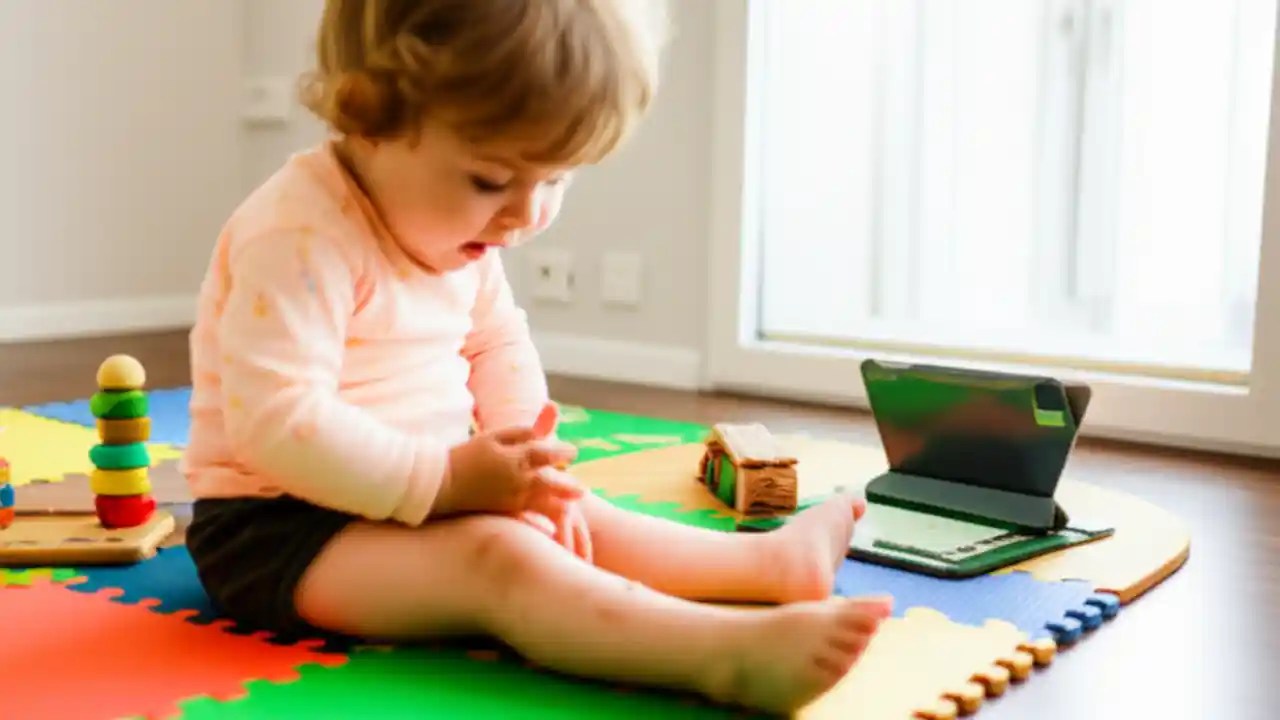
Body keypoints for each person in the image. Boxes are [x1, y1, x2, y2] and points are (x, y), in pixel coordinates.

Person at [182, 0, 892, 713]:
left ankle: (765, 564)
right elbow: (276, 422)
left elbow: (495, 339)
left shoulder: (457, 233)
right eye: (492, 181)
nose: (527, 214)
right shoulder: (299, 237)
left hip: (425, 493)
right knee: (503, 562)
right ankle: (719, 656)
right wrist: (444, 481)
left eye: (556, 179)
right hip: (280, 532)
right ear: (371, 116)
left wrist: (527, 457)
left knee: (581, 515)